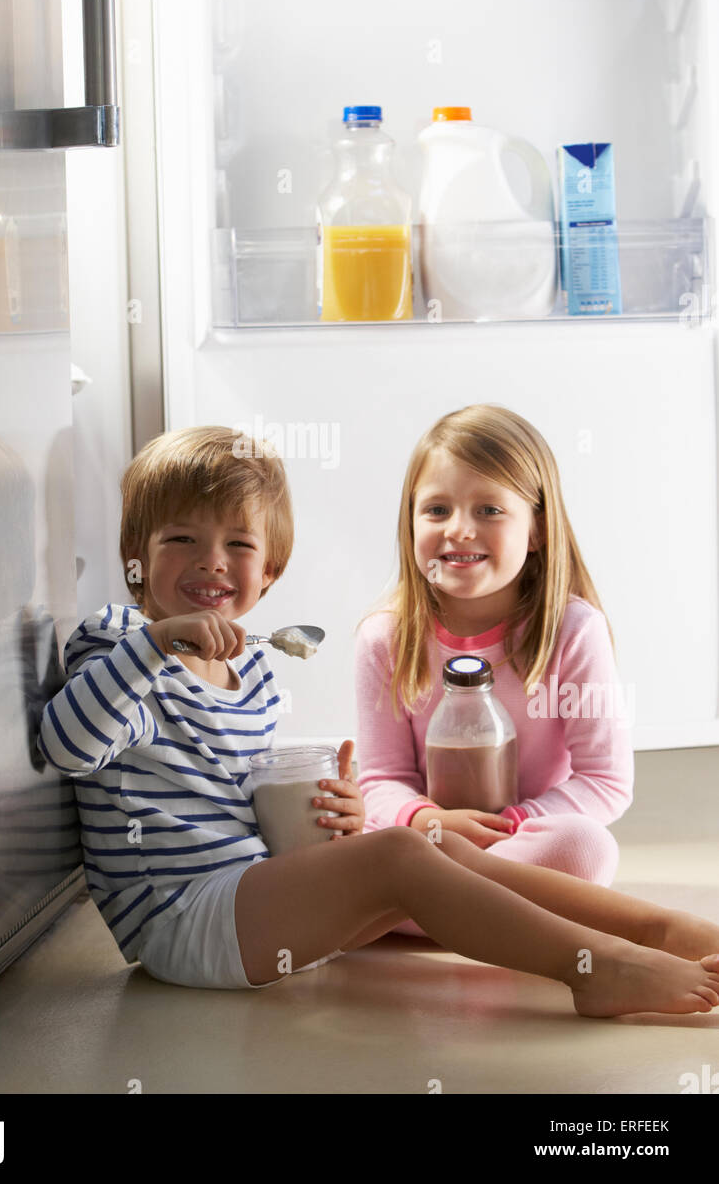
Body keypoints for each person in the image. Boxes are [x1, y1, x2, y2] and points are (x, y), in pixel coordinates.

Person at [37, 424, 719, 1017]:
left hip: (247, 896)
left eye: (238, 545)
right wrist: (153, 645)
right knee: (400, 853)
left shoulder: (259, 675)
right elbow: (68, 746)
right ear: (136, 555)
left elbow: (243, 812)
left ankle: (664, 931)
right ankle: (594, 969)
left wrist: (331, 815)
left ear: (269, 570)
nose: (212, 561)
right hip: (184, 920)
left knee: (432, 849)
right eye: (181, 539)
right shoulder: (119, 641)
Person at [355, 404, 638, 937]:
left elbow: (605, 781)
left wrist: (505, 828)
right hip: (424, 841)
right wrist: (425, 820)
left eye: (489, 510)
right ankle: (481, 909)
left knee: (584, 848)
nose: (459, 530)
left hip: (519, 839)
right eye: (437, 510)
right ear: (410, 521)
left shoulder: (573, 631)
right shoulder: (384, 637)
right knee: (320, 831)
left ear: (536, 530)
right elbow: (381, 779)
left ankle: (415, 907)